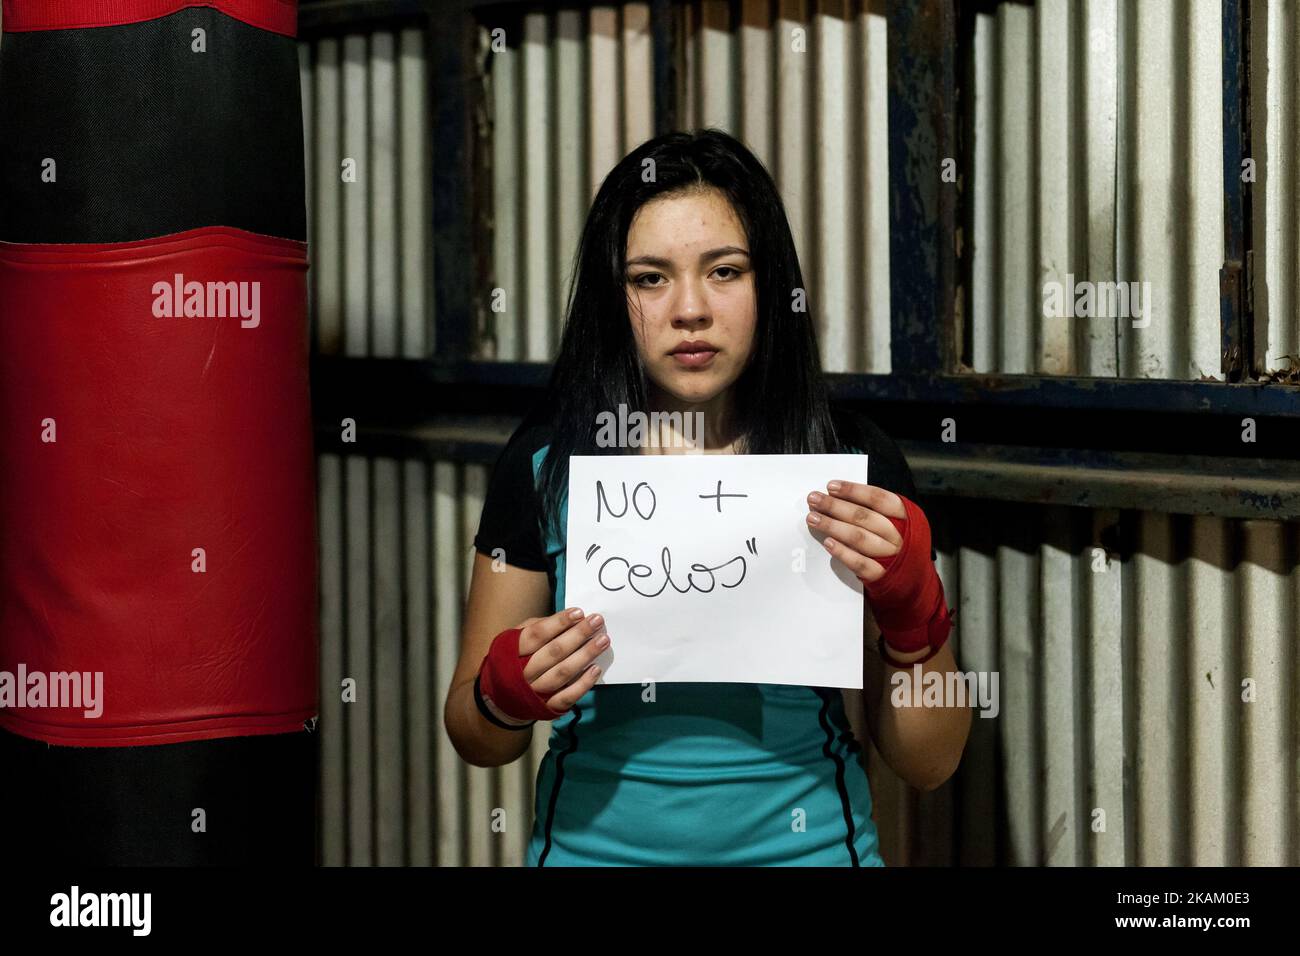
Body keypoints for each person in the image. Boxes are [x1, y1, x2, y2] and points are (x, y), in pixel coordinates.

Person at [444, 128, 971, 866]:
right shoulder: (545, 464)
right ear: (612, 294)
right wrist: (506, 691)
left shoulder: (849, 465)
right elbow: (473, 734)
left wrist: (915, 617)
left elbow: (930, 762)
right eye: (649, 278)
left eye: (725, 271)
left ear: (770, 285)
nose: (690, 309)